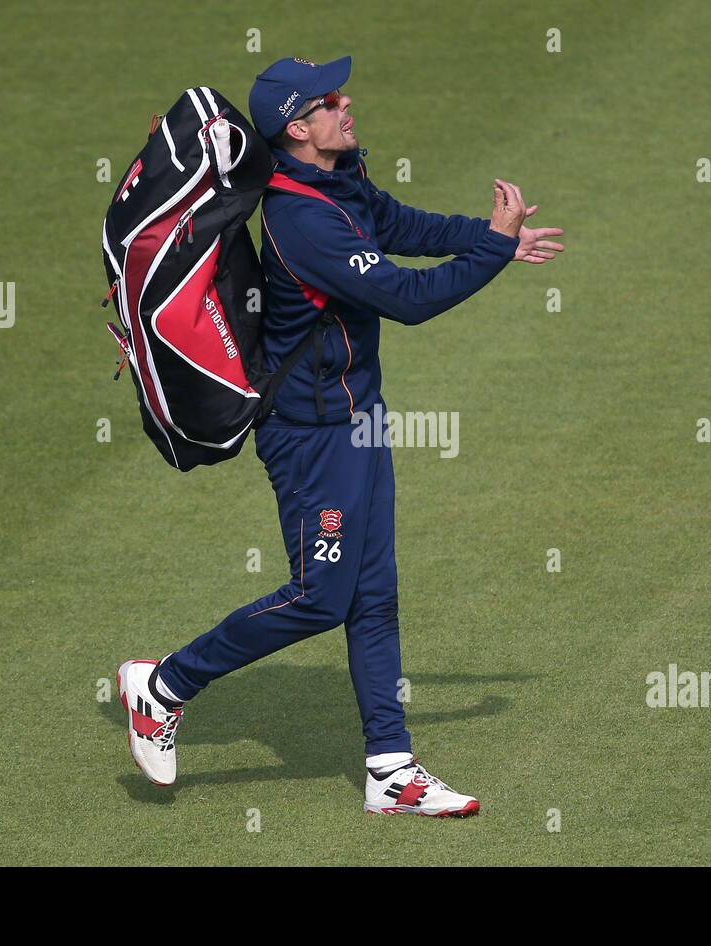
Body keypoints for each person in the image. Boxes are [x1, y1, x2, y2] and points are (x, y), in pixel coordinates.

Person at [118, 55, 565, 816]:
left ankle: (391, 770)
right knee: (319, 598)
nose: (346, 101)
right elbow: (408, 296)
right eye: (329, 100)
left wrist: (492, 239)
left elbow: (398, 226)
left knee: (373, 596)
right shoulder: (304, 222)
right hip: (310, 434)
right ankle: (161, 687)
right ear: (297, 129)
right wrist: (488, 250)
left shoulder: (338, 180)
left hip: (357, 417)